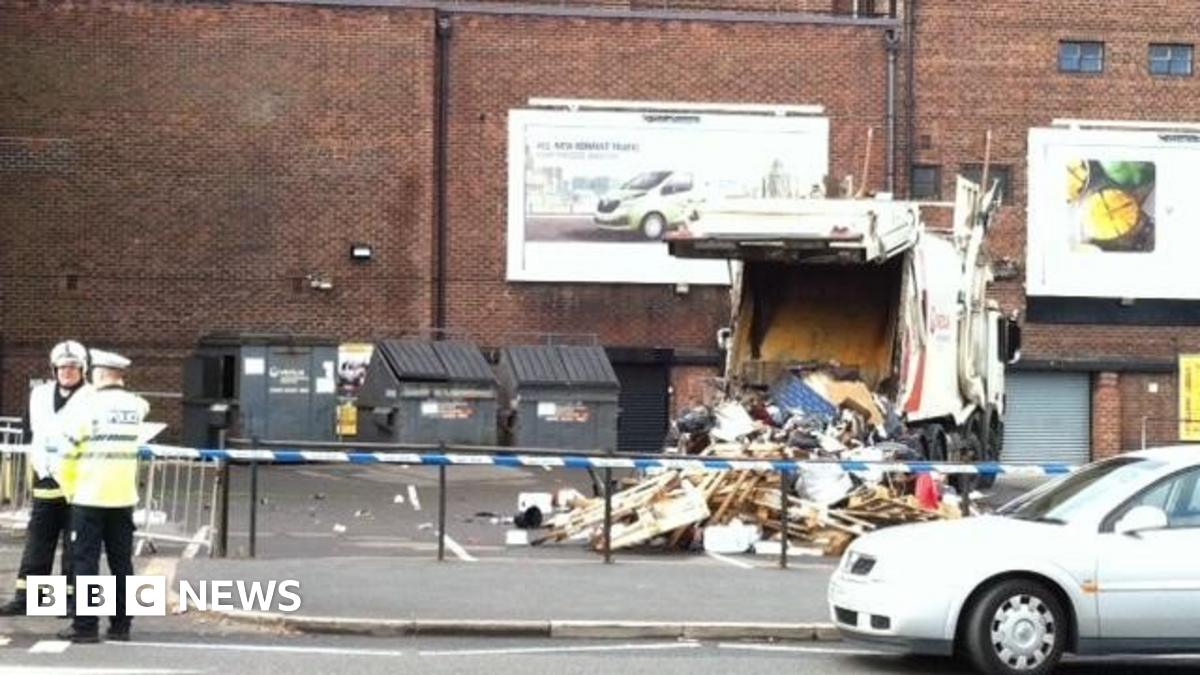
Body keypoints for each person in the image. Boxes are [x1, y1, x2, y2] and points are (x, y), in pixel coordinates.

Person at [56, 349, 148, 643]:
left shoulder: (86, 407)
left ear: (98, 374)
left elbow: (66, 456)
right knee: (122, 562)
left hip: (89, 496)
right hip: (123, 498)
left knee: (86, 563)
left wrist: (70, 490)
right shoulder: (136, 406)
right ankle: (121, 625)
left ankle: (85, 625)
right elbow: (143, 407)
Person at [0, 340, 93, 617]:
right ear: (54, 369)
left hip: (80, 483)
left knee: (75, 545)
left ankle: (70, 601)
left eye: (73, 367)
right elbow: (30, 430)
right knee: (39, 541)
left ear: (83, 369)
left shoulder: (92, 397)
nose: (67, 371)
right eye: (62, 367)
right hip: (46, 478)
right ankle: (28, 598)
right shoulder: (39, 395)